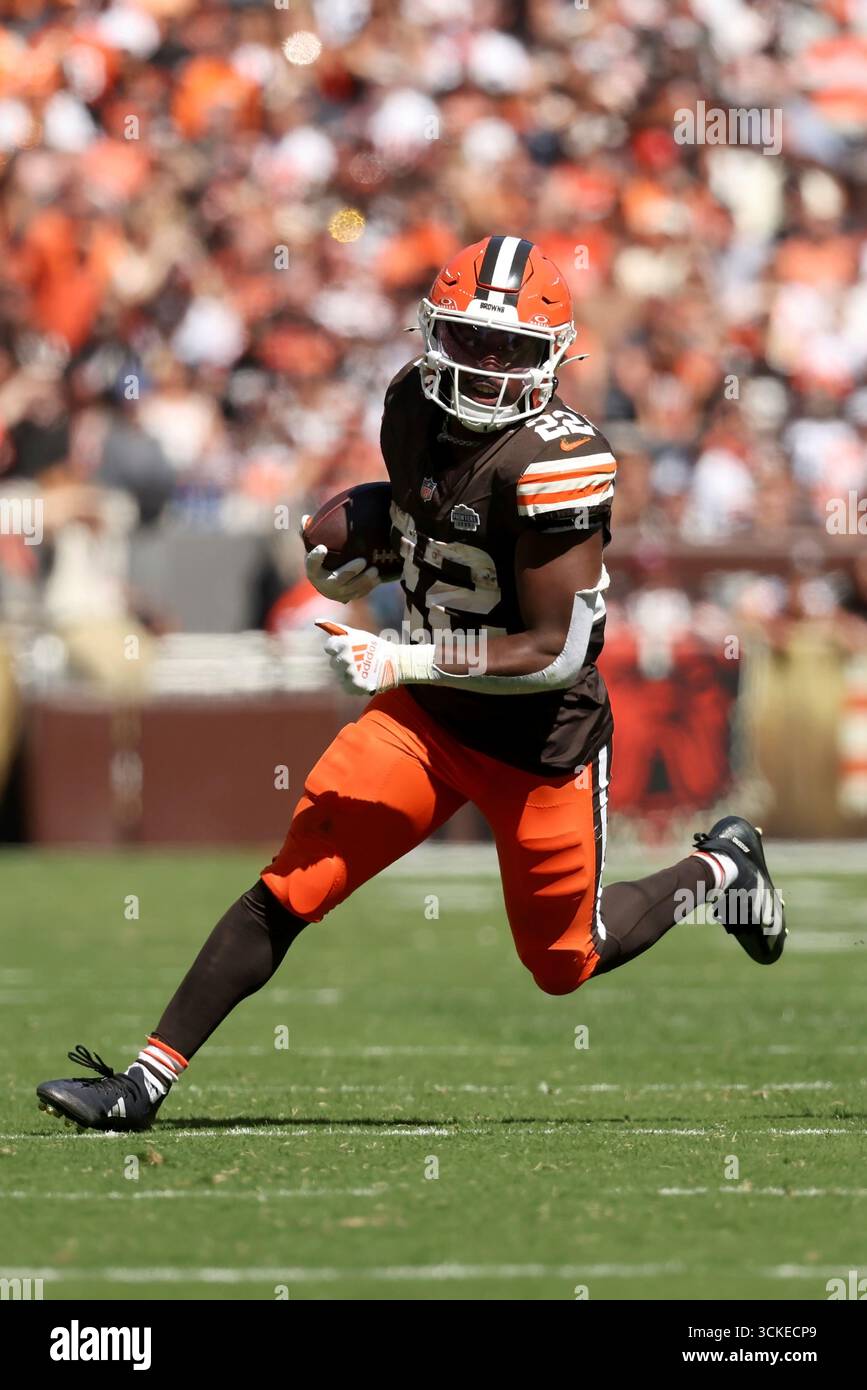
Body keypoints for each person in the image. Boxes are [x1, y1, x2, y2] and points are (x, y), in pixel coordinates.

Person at [36, 238, 786, 1131]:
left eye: (507, 350)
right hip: (425, 723)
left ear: (552, 357)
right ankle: (139, 1086)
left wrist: (403, 657)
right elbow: (422, 518)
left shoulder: (558, 461)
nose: (484, 367)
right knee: (292, 883)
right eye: (469, 341)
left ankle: (720, 863)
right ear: (432, 334)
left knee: (565, 962)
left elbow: (557, 648)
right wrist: (361, 550)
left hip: (538, 740)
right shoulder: (408, 403)